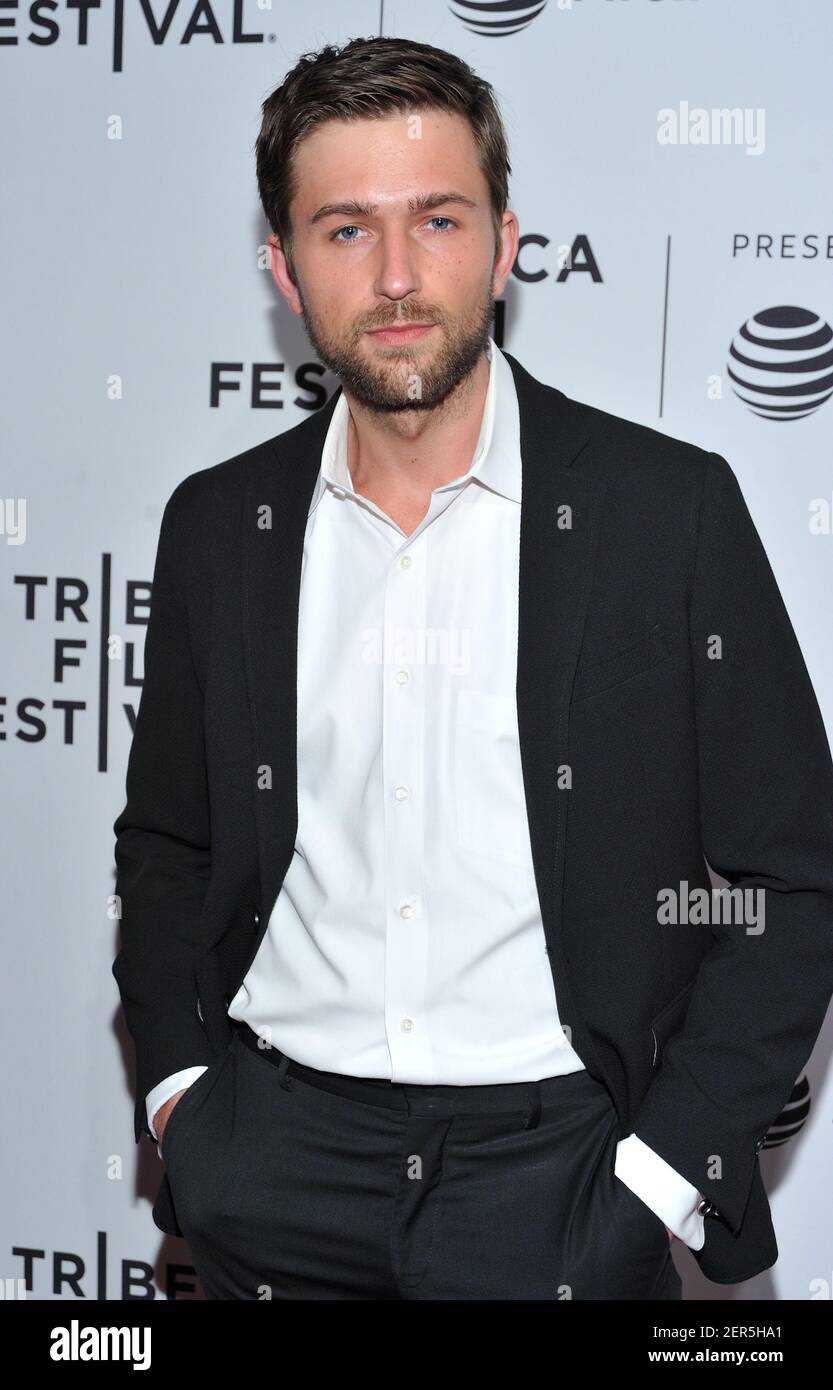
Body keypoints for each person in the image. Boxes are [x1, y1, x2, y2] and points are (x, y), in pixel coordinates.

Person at [112, 36, 833, 1300]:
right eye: (344, 230)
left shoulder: (664, 513)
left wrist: (659, 1173)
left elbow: (795, 878)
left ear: (505, 244)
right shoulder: (220, 525)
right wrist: (184, 1098)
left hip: (562, 1179)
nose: (396, 276)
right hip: (268, 1171)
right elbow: (169, 842)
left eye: (436, 219)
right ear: (281, 268)